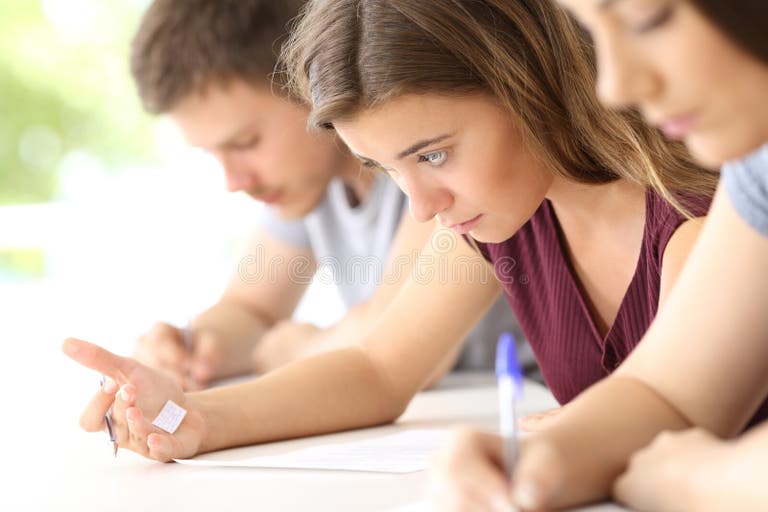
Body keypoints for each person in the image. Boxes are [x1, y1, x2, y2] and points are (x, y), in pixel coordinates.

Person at [63, 0, 721, 480]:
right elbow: (379, 368)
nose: (424, 209)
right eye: (383, 170)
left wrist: (575, 444)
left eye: (432, 156)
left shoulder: (697, 231)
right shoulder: (502, 223)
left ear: (529, 85)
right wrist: (193, 416)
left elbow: (678, 417)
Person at [433, 0, 768, 510]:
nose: (614, 86)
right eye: (591, 31)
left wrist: (703, 481)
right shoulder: (757, 172)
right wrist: (536, 458)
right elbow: (668, 396)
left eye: (646, 19)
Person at [126, 0, 523, 392]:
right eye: (211, 154)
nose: (232, 180)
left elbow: (397, 342)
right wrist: (193, 348)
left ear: (314, 83)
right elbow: (250, 311)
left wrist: (296, 351)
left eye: (245, 143)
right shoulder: (306, 186)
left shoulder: (426, 172)